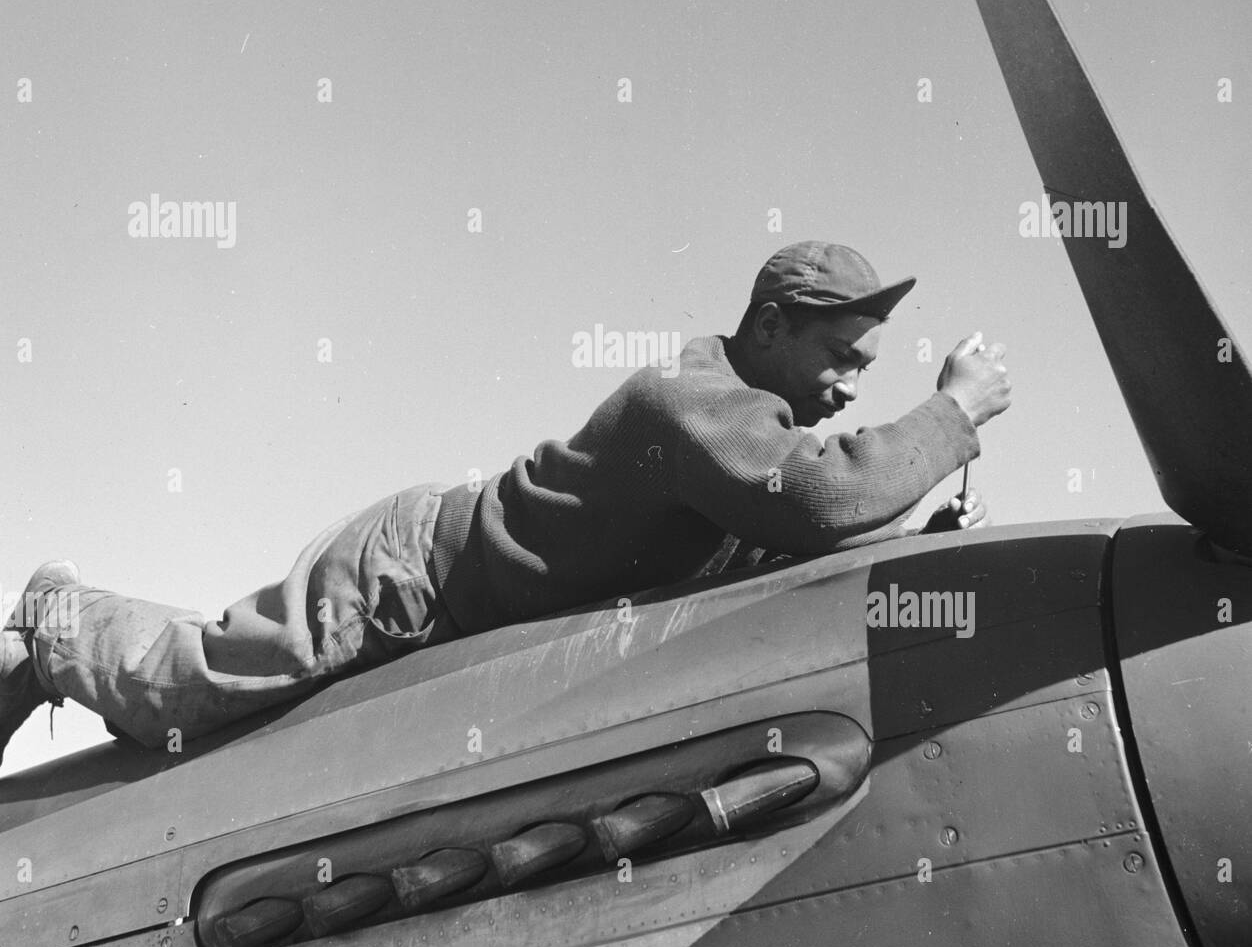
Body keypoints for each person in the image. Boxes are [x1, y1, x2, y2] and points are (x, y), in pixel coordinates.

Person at [0, 241, 1011, 765]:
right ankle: (52, 620)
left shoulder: (750, 434)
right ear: (770, 325)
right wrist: (951, 415)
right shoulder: (693, 401)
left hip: (445, 584)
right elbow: (820, 496)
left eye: (863, 371)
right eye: (838, 358)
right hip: (410, 576)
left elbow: (776, 539)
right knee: (198, 688)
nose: (847, 386)